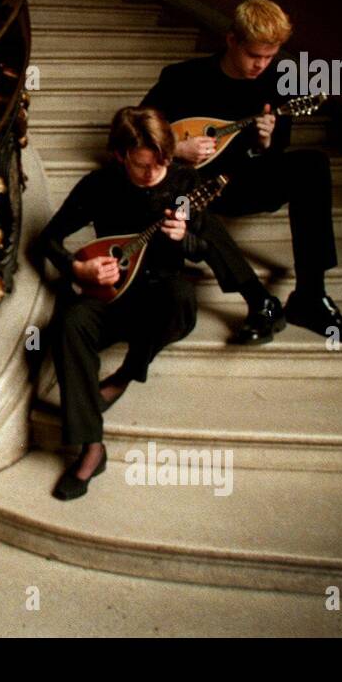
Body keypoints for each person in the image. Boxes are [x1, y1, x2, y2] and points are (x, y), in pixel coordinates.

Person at [140, 0, 342, 346]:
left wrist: (265, 141)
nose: (261, 65)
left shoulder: (277, 82)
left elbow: (275, 152)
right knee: (187, 194)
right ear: (232, 39)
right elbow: (136, 133)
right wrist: (176, 147)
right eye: (254, 55)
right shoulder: (183, 77)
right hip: (194, 189)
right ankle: (260, 301)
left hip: (244, 183)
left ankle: (311, 296)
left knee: (312, 164)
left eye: (270, 56)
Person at [34, 107, 210, 500]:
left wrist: (185, 238)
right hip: (111, 296)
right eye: (142, 165)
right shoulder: (99, 185)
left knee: (182, 299)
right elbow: (46, 240)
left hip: (160, 297)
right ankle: (91, 448)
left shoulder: (185, 183)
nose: (152, 174)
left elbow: (204, 249)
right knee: (70, 324)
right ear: (120, 156)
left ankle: (125, 375)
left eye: (160, 163)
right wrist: (78, 271)